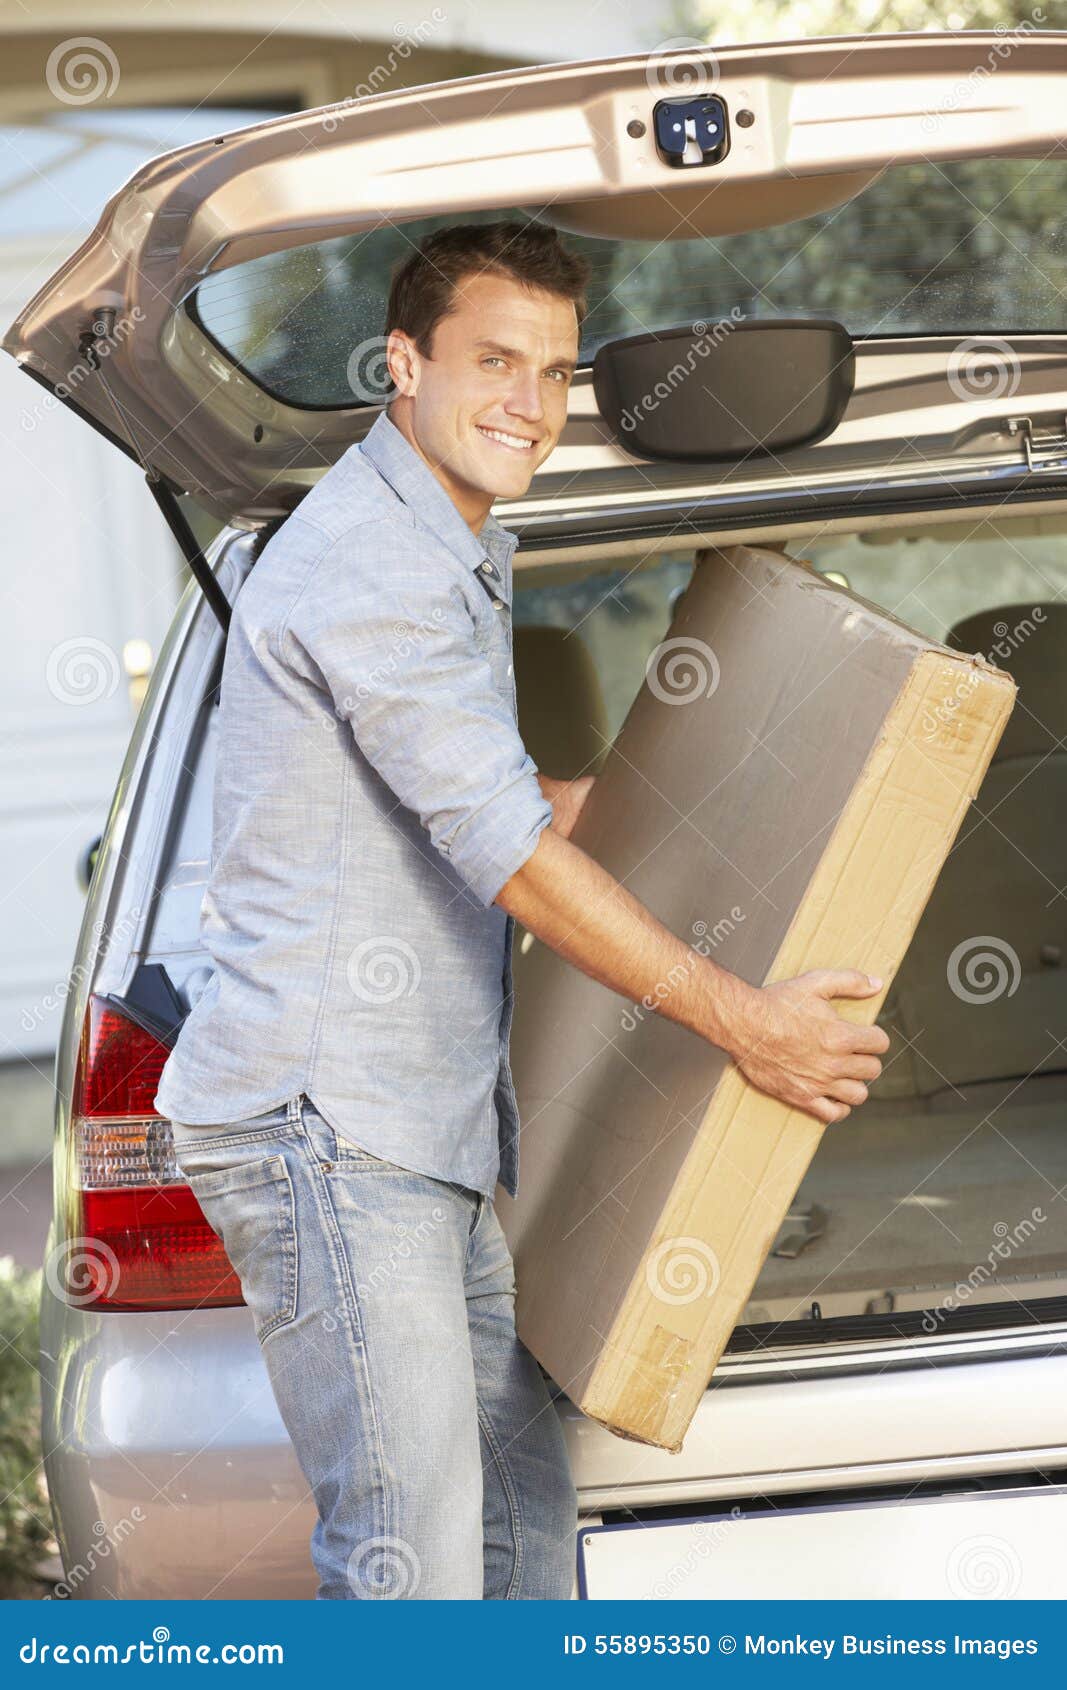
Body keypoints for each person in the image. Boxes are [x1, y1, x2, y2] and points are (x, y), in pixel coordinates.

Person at [155, 219, 889, 1600]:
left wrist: (750, 785)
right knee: (414, 1562)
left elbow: (511, 795)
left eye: (555, 373)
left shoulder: (451, 541)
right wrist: (748, 1024)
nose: (531, 405)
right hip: (332, 1128)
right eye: (495, 361)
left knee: (516, 1537)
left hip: (420, 1128)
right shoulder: (371, 562)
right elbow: (510, 853)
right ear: (403, 362)